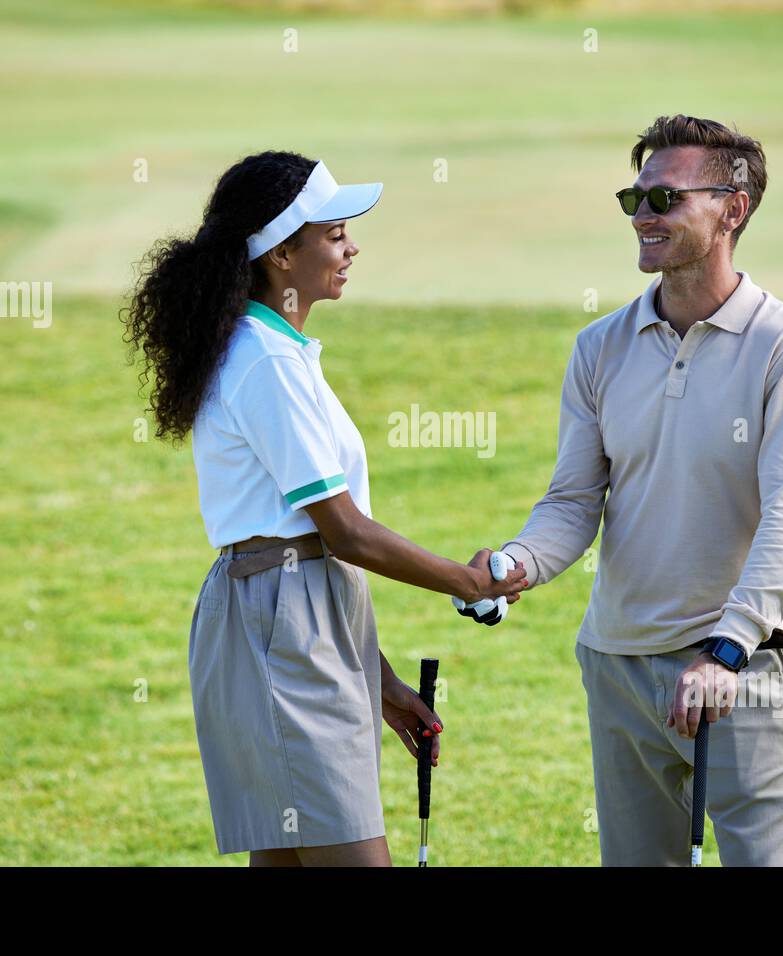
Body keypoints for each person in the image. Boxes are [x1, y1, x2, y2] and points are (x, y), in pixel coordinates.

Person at [123, 151, 527, 867]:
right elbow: (341, 533)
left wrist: (380, 682)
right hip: (280, 624)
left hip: (285, 616)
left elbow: (311, 556)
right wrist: (470, 585)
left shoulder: (272, 350)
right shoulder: (267, 363)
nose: (352, 247)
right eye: (334, 233)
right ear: (282, 252)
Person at [467, 116, 783, 866]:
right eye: (634, 196)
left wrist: (727, 651)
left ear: (732, 209)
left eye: (664, 197)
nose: (642, 214)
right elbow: (574, 502)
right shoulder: (600, 345)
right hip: (617, 667)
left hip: (735, 671)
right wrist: (515, 565)